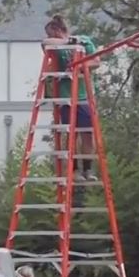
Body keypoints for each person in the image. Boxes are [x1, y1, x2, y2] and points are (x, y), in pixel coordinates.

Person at [42, 15, 100, 182]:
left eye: (51, 33)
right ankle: (73, 170)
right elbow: (45, 44)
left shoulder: (84, 42)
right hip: (66, 96)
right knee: (71, 133)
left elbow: (96, 62)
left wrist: (80, 66)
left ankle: (87, 169)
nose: (49, 37)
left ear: (58, 30)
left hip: (83, 95)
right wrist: (68, 43)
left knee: (88, 133)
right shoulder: (58, 45)